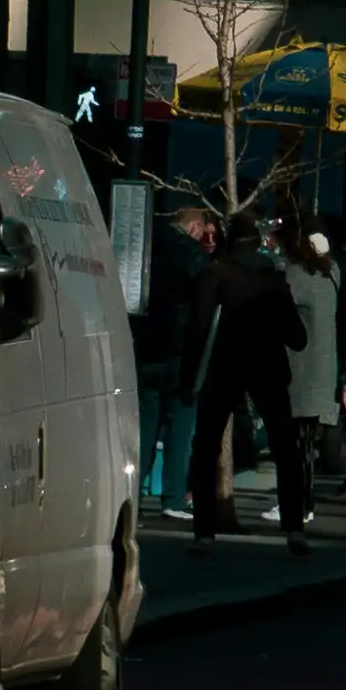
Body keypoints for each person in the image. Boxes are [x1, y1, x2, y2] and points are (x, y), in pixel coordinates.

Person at [185, 205, 301, 543]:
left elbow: (198, 330)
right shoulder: (274, 280)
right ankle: (294, 526)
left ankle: (204, 530)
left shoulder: (216, 275)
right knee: (285, 447)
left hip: (225, 366)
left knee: (206, 446)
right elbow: (298, 338)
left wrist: (188, 379)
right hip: (268, 368)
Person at [135, 199, 217, 513]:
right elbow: (204, 306)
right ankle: (172, 497)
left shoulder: (148, 249)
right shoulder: (194, 257)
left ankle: (136, 493)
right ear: (195, 226)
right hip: (181, 352)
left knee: (145, 427)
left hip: (147, 349)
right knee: (180, 430)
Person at [275, 221, 346, 554]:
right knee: (307, 443)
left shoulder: (294, 276)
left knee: (294, 445)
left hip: (299, 368)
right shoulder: (332, 274)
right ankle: (306, 501)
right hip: (324, 366)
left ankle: (297, 503)